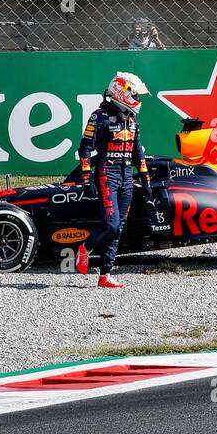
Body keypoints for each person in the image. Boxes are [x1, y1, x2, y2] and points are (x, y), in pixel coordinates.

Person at [75, 71, 151, 288]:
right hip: (107, 174)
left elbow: (138, 151)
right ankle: (84, 249)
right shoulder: (99, 116)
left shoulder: (132, 120)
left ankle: (105, 275)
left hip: (127, 177)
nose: (138, 100)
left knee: (119, 228)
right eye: (136, 95)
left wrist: (145, 177)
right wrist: (86, 177)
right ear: (122, 93)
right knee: (111, 224)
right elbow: (85, 148)